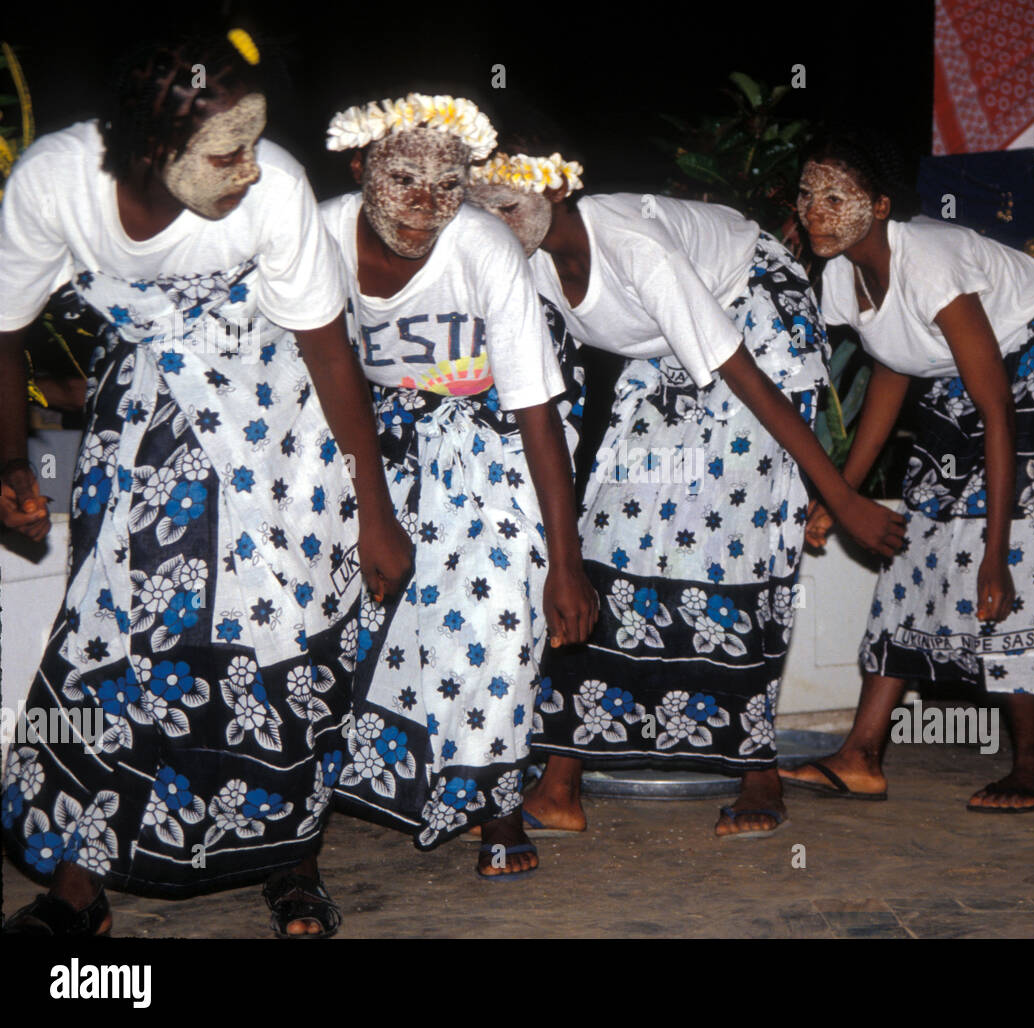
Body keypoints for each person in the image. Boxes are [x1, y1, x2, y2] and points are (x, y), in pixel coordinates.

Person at [0, 30, 411, 937]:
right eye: (227, 154)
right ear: (151, 147)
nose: (251, 169)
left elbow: (327, 351)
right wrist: (10, 461)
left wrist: (370, 508)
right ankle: (79, 882)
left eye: (255, 142)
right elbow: (6, 325)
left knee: (294, 631)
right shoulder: (53, 182)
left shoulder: (279, 193)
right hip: (147, 414)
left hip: (285, 415)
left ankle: (291, 859)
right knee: (117, 627)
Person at [471, 150, 908, 838]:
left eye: (506, 205)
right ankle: (561, 780)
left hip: (757, 313)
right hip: (668, 346)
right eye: (481, 209)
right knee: (610, 530)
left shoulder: (632, 246)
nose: (494, 223)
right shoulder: (514, 261)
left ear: (557, 187)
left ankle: (757, 770)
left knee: (737, 540)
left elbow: (744, 375)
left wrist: (841, 496)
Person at [781, 131, 1034, 811]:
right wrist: (844, 490)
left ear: (880, 206)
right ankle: (861, 755)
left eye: (836, 196)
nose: (814, 210)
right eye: (806, 194)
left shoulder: (931, 261)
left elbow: (998, 411)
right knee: (915, 533)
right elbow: (895, 362)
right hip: (972, 369)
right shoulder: (839, 276)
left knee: (1018, 552)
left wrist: (995, 554)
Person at [318, 97, 597, 878]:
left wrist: (563, 563)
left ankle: (498, 806)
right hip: (371, 433)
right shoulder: (318, 232)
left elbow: (535, 412)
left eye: (446, 183)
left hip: (495, 431)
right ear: (358, 171)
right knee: (351, 603)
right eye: (400, 177)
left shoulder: (481, 247)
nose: (423, 203)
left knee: (503, 601)